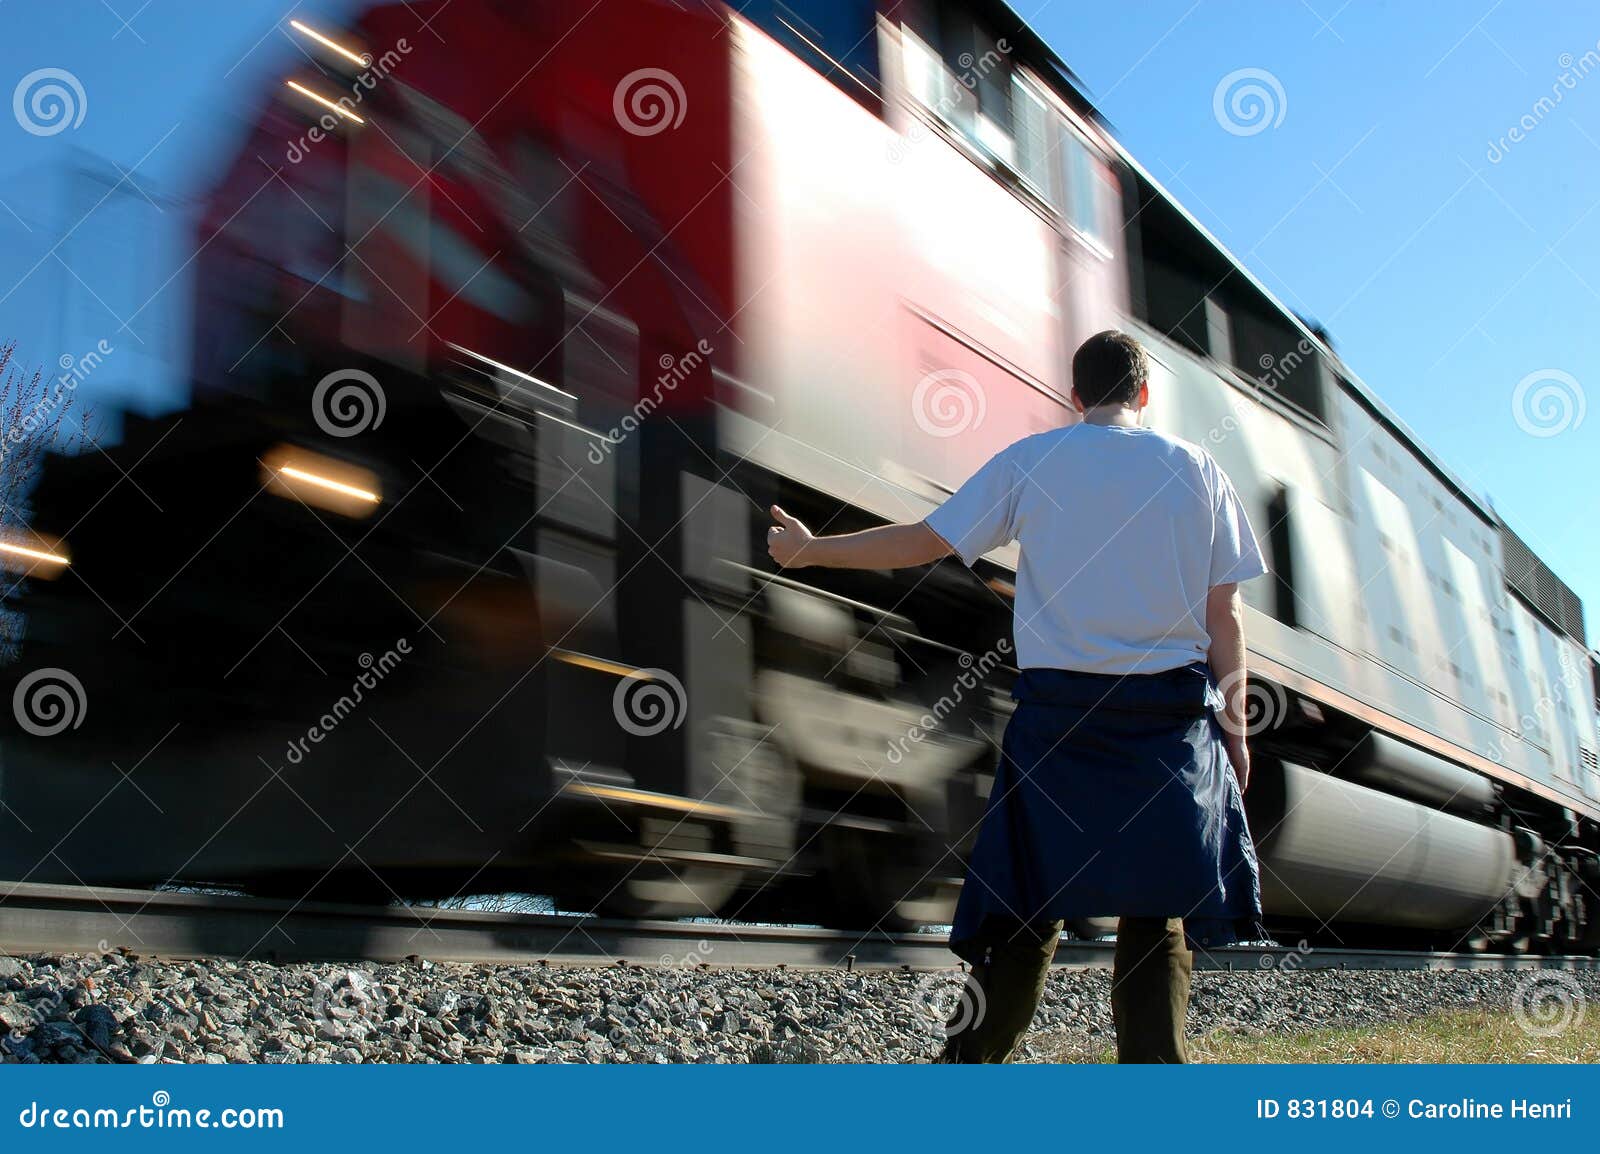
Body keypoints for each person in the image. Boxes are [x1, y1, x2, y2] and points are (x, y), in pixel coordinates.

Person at [765, 330, 1268, 1063]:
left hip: (1058, 726)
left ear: (1075, 396)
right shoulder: (1198, 470)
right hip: (1167, 728)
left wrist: (813, 550)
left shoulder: (1034, 461)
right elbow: (1225, 615)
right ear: (1145, 395)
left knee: (1024, 908)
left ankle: (968, 1074)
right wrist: (1236, 730)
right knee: (1155, 917)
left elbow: (925, 540)